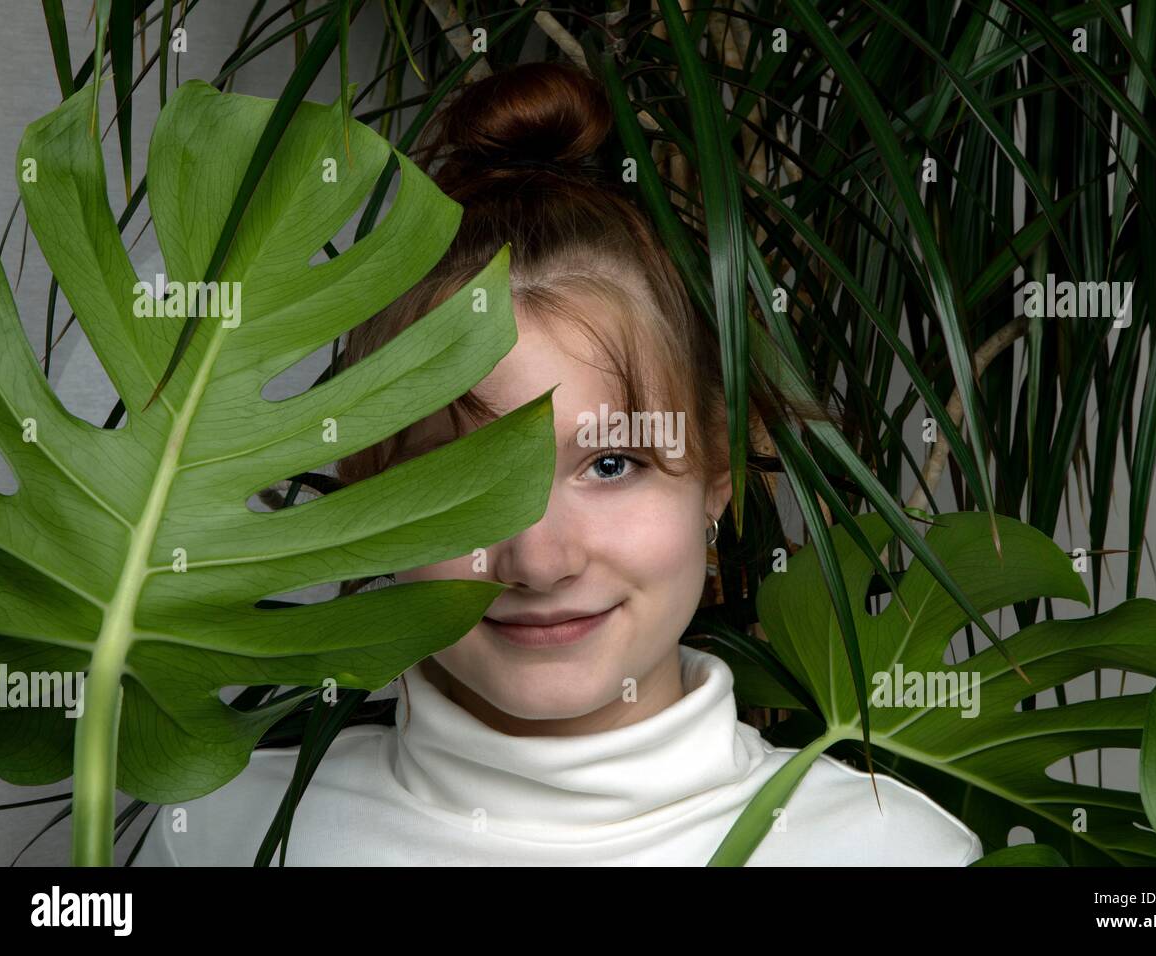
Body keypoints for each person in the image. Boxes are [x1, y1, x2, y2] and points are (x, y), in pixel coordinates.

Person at [133, 61, 981, 867]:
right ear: (368, 489)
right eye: (465, 475)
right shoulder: (222, 836)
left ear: (718, 476)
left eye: (612, 464)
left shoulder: (892, 852)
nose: (538, 559)